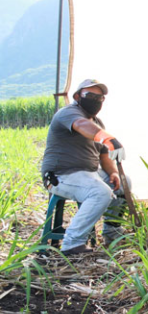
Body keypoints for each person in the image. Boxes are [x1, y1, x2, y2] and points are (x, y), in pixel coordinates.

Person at [40, 79, 130, 256]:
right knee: (100, 192)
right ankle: (72, 244)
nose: (95, 100)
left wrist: (112, 172)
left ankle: (112, 231)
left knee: (125, 183)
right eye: (90, 95)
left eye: (100, 97)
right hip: (61, 175)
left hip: (88, 173)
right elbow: (81, 126)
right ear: (77, 96)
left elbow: (103, 155)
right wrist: (108, 138)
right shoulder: (68, 113)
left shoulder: (97, 123)